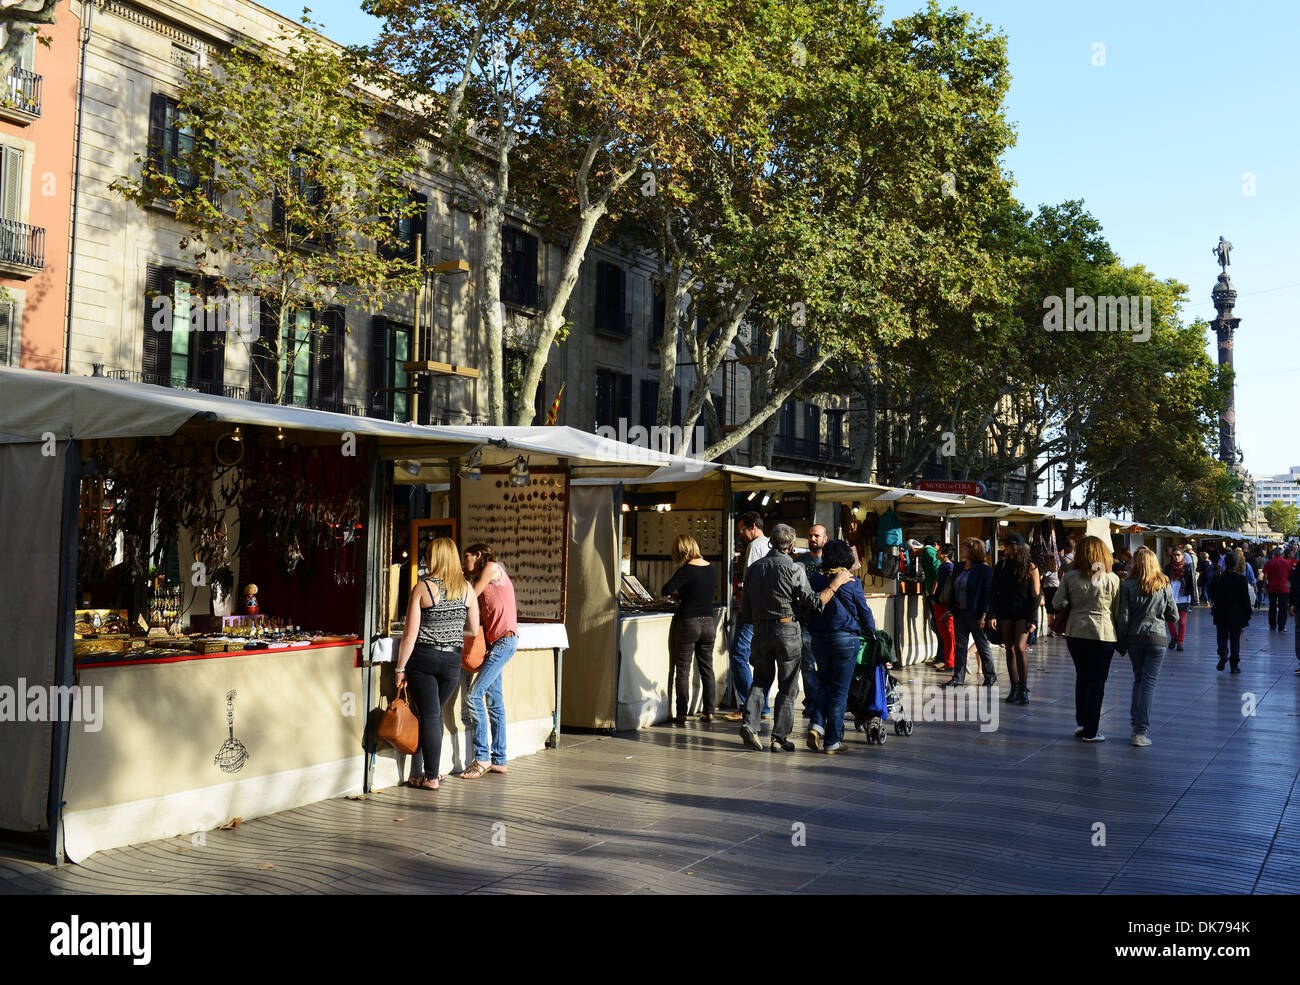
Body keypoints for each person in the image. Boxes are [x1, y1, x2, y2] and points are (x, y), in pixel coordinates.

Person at [738, 523, 850, 752]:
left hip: (760, 630)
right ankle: (778, 738)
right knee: (788, 687)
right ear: (790, 546)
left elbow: (746, 609)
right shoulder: (795, 568)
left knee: (760, 680)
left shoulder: (754, 568)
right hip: (788, 629)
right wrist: (835, 583)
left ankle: (750, 723)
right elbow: (815, 602)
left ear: (771, 542)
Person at [394, 537, 479, 789]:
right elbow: (473, 629)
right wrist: (451, 632)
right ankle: (419, 772)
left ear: (435, 558)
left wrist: (400, 668)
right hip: (452, 661)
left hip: (424, 659)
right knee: (432, 715)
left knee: (430, 715)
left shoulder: (424, 587)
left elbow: (410, 634)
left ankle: (430, 776)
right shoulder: (466, 588)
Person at [805, 540, 876, 754]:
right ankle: (832, 741)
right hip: (845, 640)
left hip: (818, 639)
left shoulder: (816, 579)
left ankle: (816, 725)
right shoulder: (851, 581)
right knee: (839, 691)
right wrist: (872, 631)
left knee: (824, 684)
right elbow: (864, 612)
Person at [455, 544, 519, 779]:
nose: (464, 561)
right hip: (497, 643)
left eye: (466, 557)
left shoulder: (492, 568)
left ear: (478, 555)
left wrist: (460, 580)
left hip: (504, 642)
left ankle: (482, 758)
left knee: (473, 696)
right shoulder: (485, 575)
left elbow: (470, 595)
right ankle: (499, 759)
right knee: (494, 701)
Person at [1054, 535, 1120, 742]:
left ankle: (1082, 722)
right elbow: (1118, 611)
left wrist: (1070, 602)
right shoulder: (1111, 578)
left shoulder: (1070, 576)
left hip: (1076, 631)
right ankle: (1092, 730)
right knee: (1098, 681)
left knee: (1082, 676)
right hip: (1104, 633)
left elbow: (1056, 603)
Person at [1115, 547, 1177, 747]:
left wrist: (1121, 642)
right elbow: (1173, 614)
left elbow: (1123, 618)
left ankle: (1135, 726)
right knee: (1149, 683)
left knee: (1138, 680)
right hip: (1157, 638)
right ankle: (1140, 732)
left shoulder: (1127, 586)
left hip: (1135, 638)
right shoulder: (1164, 583)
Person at [661, 534, 717, 724]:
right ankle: (709, 711)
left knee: (683, 669)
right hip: (709, 621)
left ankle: (682, 713)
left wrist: (678, 595)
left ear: (681, 551)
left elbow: (666, 590)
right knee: (707, 668)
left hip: (689, 622)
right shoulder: (711, 568)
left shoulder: (686, 570)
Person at [724, 511, 771, 722]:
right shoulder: (770, 544)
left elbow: (751, 581)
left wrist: (744, 605)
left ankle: (747, 706)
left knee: (738, 655)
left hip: (752, 610)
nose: (741, 534)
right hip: (767, 612)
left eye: (742, 530)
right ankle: (763, 707)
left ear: (753, 526)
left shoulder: (755, 546)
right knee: (762, 661)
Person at [989, 531, 1039, 704]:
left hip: (1023, 613)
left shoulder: (1031, 566)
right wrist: (993, 614)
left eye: (1007, 545)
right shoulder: (1001, 566)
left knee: (1019, 647)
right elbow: (993, 591)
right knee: (1009, 648)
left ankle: (1023, 687)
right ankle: (1014, 687)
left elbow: (1035, 594)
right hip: (1005, 612)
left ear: (1014, 547)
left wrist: (1033, 620)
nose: (1004, 548)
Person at [942, 537, 996, 689]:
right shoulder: (959, 567)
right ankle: (958, 677)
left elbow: (987, 593)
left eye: (966, 548)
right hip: (960, 612)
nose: (962, 550)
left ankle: (990, 675)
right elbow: (953, 589)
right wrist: (950, 609)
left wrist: (985, 614)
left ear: (974, 551)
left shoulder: (984, 570)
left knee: (981, 644)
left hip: (976, 613)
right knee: (960, 646)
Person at [798, 524, 829, 717]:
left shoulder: (831, 561)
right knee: (807, 665)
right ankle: (811, 702)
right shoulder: (800, 561)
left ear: (825, 539)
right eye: (810, 535)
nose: (813, 538)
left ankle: (823, 701)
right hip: (805, 621)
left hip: (826, 621)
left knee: (825, 664)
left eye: (817, 535)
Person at [1210, 552, 1252, 673]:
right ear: (1237, 564)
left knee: (1222, 635)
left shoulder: (1218, 577)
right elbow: (1245, 598)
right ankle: (1234, 665)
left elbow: (1212, 595)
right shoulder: (1241, 579)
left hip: (1221, 612)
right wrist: (1248, 612)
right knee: (1235, 639)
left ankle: (1223, 652)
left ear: (1225, 562)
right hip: (1236, 614)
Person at [929, 543, 957, 672]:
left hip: (942, 604)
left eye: (939, 551)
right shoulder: (954, 567)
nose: (937, 552)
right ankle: (951, 661)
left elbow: (941, 586)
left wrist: (934, 599)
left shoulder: (943, 567)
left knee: (945, 634)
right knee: (951, 633)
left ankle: (949, 662)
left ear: (945, 554)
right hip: (952, 604)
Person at [1163, 546, 1196, 650]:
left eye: (1179, 555)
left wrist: (1194, 599)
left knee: (1182, 621)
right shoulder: (1168, 568)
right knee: (1170, 620)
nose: (1177, 557)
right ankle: (1174, 637)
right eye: (1175, 555)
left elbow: (1192, 583)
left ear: (1183, 556)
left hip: (1184, 597)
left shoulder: (1187, 567)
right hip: (1170, 597)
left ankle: (1180, 642)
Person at [1264, 546, 1292, 632]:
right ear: (1282, 554)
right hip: (1284, 589)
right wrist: (1290, 586)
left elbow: (1265, 576)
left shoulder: (1269, 563)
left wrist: (1265, 586)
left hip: (1272, 588)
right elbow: (1291, 576)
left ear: (1274, 554)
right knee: (1283, 608)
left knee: (1272, 607)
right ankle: (1281, 627)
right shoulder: (1287, 563)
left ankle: (1272, 626)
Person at [1041, 553, 1062, 636]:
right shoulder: (1058, 568)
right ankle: (1058, 629)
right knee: (1057, 609)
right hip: (1057, 587)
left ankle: (1051, 630)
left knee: (1049, 610)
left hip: (1048, 589)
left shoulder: (1047, 571)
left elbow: (1042, 577)